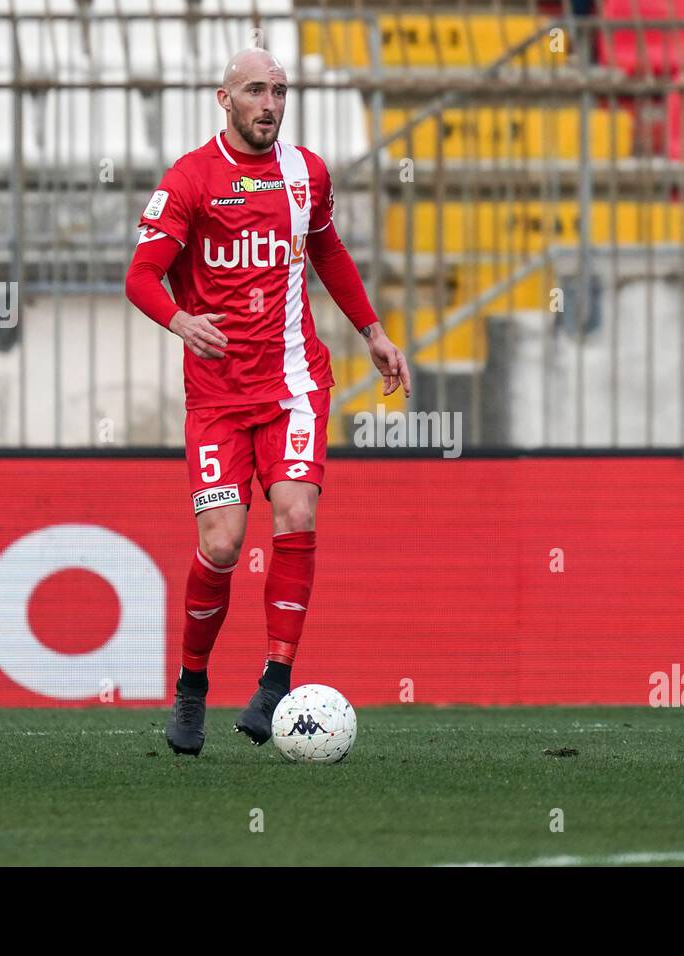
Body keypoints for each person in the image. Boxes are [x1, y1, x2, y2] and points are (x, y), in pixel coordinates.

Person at [125, 48, 411, 756]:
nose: (271, 103)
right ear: (224, 99)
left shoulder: (307, 173)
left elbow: (330, 252)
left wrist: (372, 332)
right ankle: (192, 687)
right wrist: (180, 320)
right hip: (217, 397)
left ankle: (275, 681)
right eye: (256, 90)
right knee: (220, 545)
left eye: (280, 91)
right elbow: (140, 277)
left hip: (293, 383)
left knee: (296, 510)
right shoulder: (189, 180)